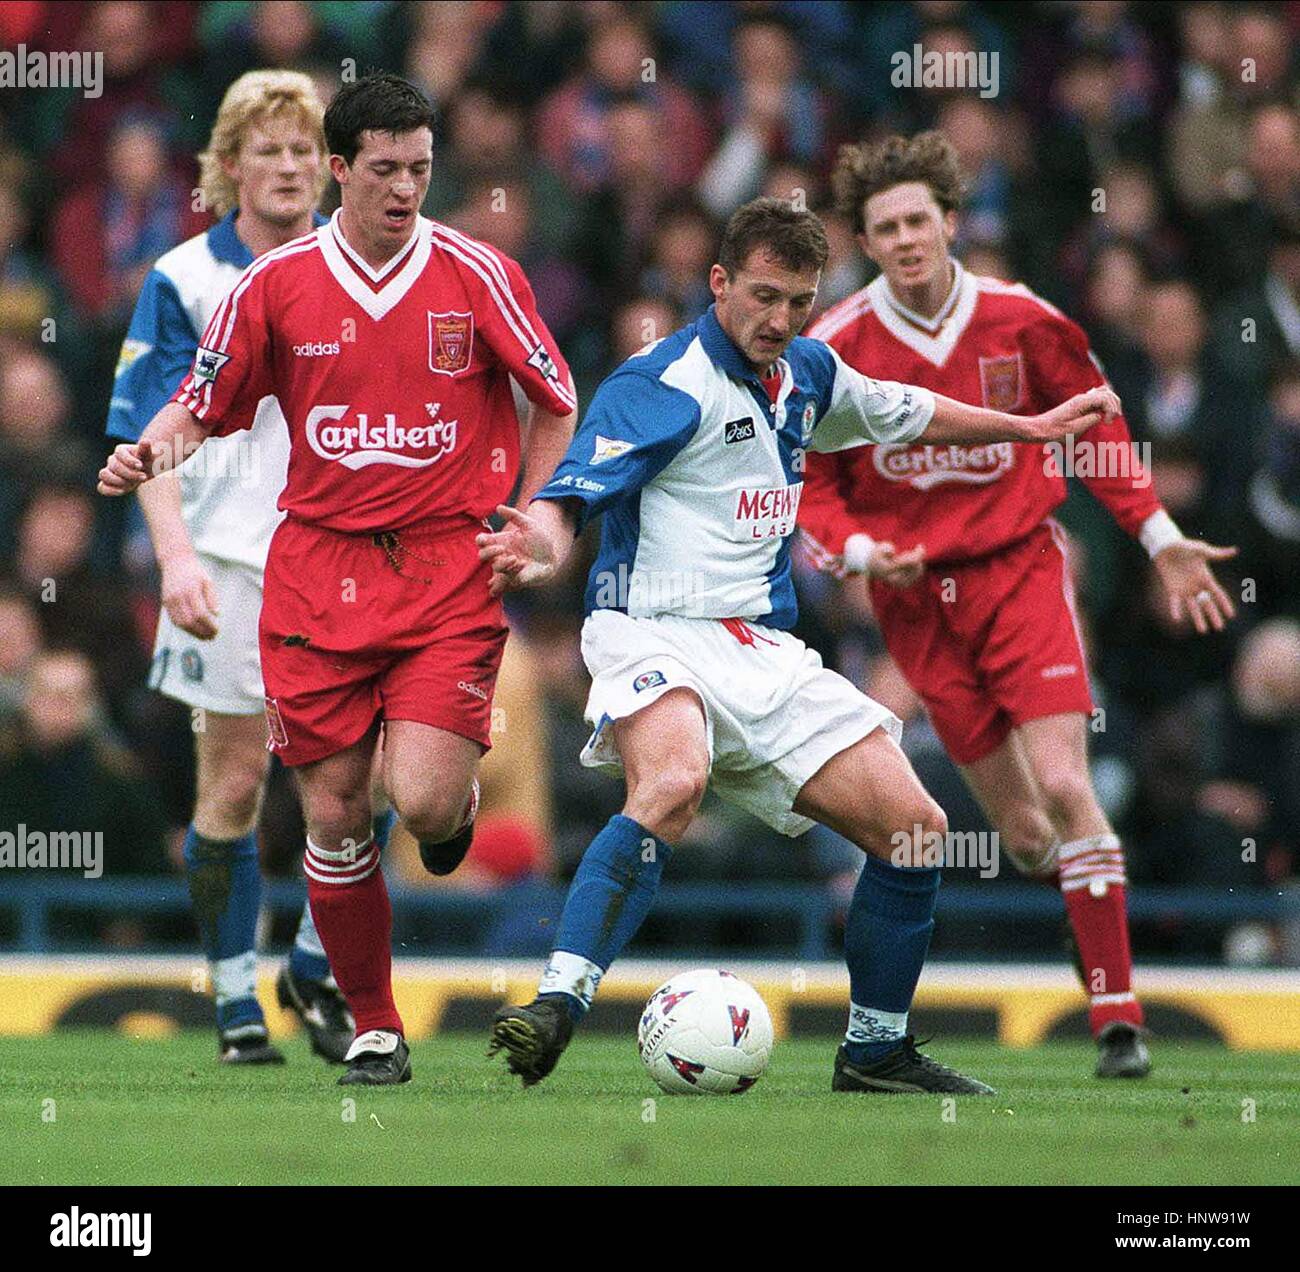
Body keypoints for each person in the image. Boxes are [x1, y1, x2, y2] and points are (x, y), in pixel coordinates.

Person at [479, 196, 1120, 1095]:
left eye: (799, 301)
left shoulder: (808, 373)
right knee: (672, 782)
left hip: (764, 651)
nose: (780, 320)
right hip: (652, 629)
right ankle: (558, 1001)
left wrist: (1027, 428)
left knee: (918, 830)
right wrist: (536, 548)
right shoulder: (660, 384)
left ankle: (875, 1050)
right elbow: (570, 496)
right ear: (719, 284)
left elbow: (906, 411)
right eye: (764, 297)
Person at [99, 73, 578, 1086]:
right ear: (341, 168)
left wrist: (534, 511)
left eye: (421, 169)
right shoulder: (269, 287)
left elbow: (555, 399)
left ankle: (447, 811)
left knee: (427, 796)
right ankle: (373, 1023)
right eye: (387, 170)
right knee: (330, 813)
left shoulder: (478, 273)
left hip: (446, 565)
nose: (406, 189)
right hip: (315, 572)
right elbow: (199, 404)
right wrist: (150, 456)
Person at [798, 132, 1237, 1079]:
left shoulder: (1021, 319)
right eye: (887, 227)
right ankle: (1085, 903)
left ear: (951, 222)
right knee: (1029, 835)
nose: (908, 238)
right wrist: (865, 551)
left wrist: (1160, 539)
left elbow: (1097, 430)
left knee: (1070, 786)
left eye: (921, 219)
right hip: (916, 603)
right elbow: (809, 481)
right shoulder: (838, 345)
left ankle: (1118, 1019)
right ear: (868, 242)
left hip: (1020, 571)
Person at [105, 71, 364, 1066]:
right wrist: (173, 558)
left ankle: (313, 958)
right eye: (271, 149)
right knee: (236, 785)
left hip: (342, 559)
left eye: (306, 149)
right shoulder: (182, 277)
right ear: (230, 167)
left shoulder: (364, 267)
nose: (292, 165)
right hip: (225, 561)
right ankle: (233, 1003)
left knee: (364, 776)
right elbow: (144, 433)